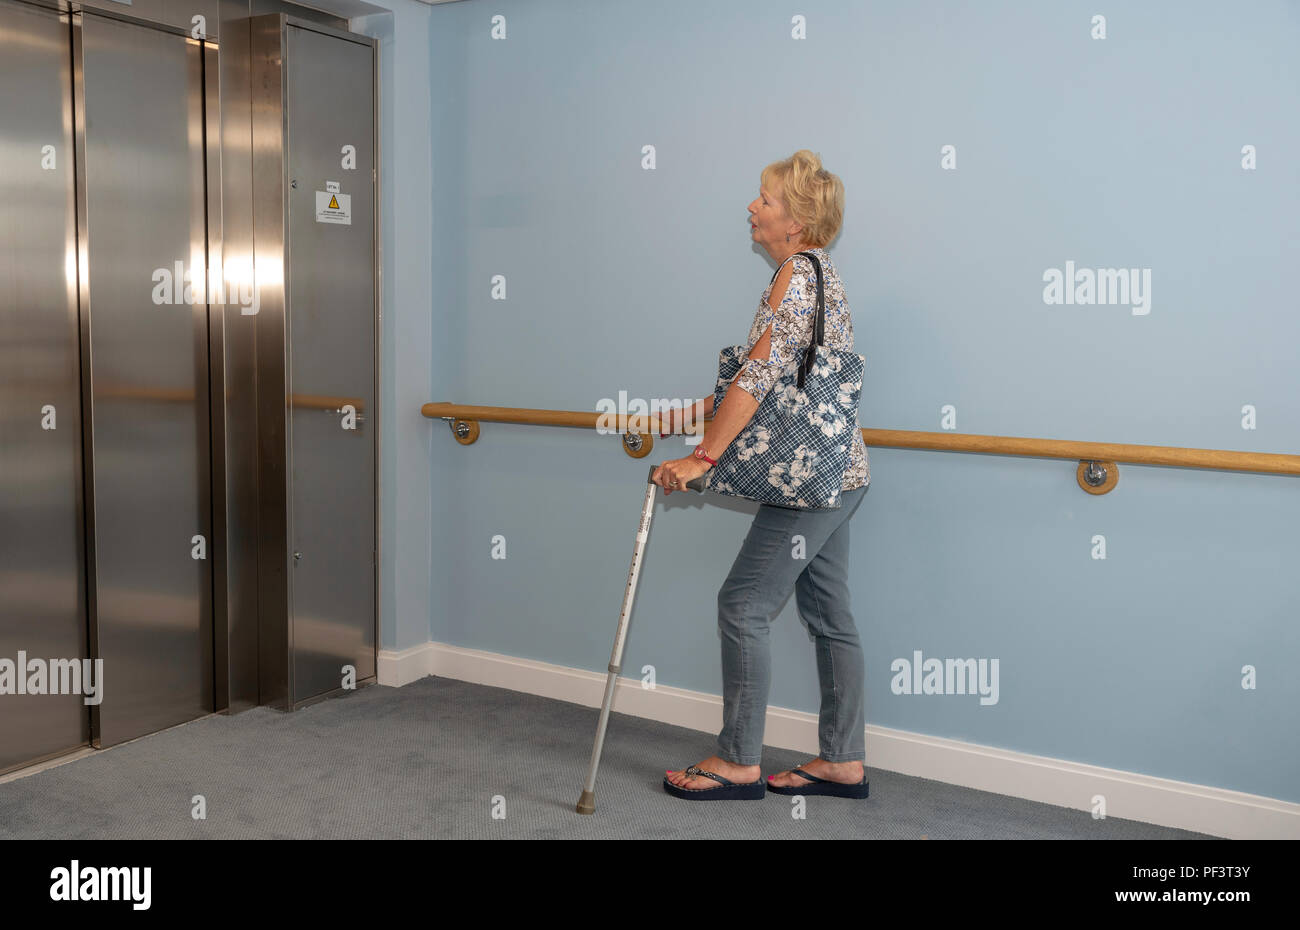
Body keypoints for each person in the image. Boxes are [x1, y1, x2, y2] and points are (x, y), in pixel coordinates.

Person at [652, 150, 871, 801]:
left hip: (808, 483)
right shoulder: (818, 274)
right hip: (842, 473)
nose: (753, 207)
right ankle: (842, 761)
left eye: (766, 199)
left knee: (743, 604)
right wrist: (692, 415)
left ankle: (739, 760)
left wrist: (702, 456)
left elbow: (755, 376)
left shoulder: (795, 276)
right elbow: (775, 381)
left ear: (798, 220)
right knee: (828, 613)